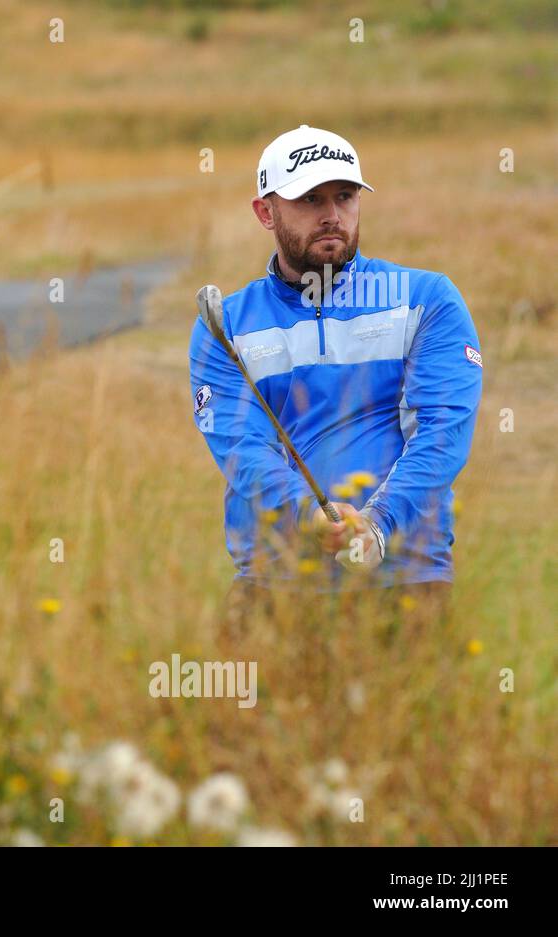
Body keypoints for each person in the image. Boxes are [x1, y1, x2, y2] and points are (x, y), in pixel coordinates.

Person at [188, 125, 483, 644]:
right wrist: (309, 516)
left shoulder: (426, 298)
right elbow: (242, 447)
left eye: (344, 196)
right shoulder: (226, 323)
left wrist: (376, 524)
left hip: (407, 584)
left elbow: (443, 432)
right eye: (309, 199)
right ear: (265, 212)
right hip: (274, 587)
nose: (331, 215)